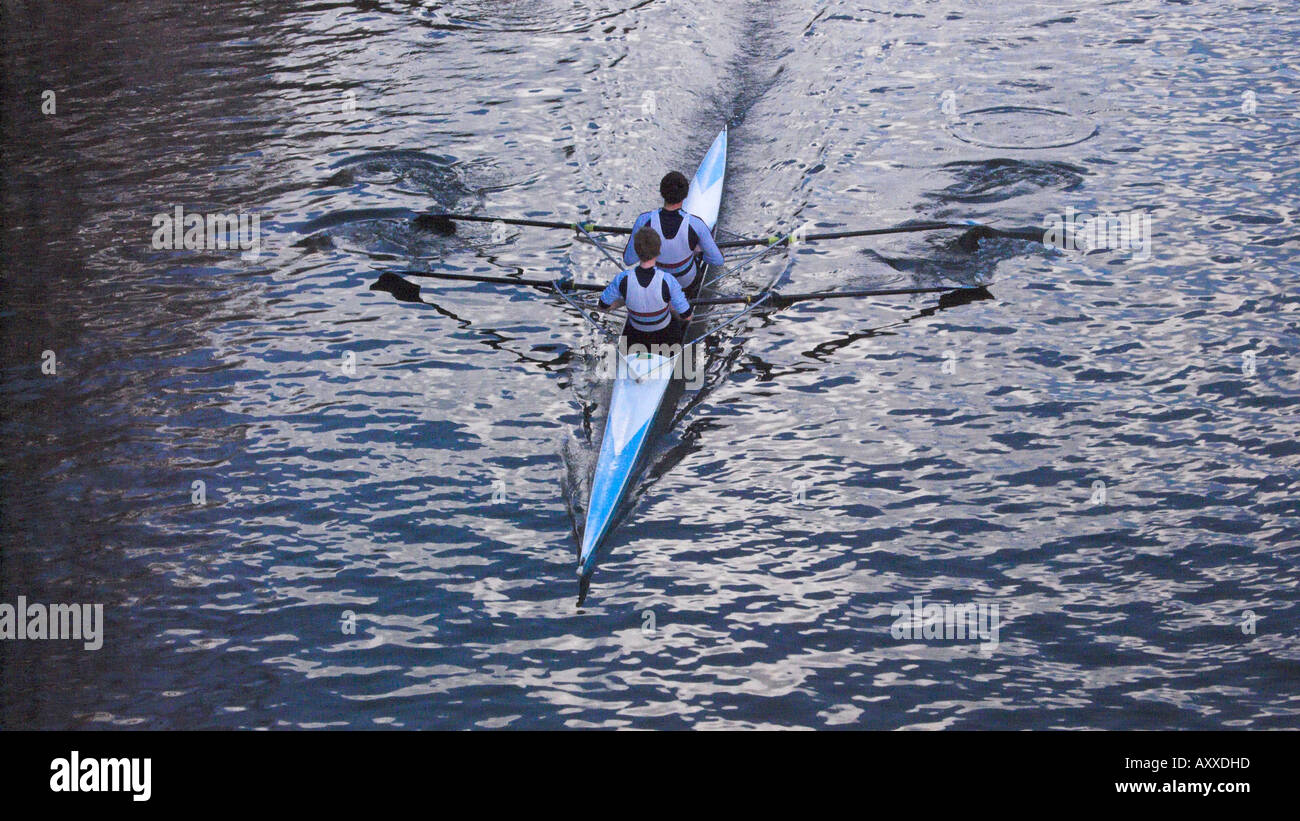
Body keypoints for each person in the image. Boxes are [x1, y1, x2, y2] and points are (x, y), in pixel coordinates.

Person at [622, 171, 725, 299]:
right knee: (697, 254)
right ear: (686, 195)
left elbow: (628, 260)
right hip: (686, 284)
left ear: (661, 193)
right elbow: (718, 260)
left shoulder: (643, 221)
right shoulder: (696, 224)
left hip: (655, 285)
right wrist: (698, 252)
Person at [600, 227, 692, 349]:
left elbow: (603, 306)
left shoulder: (622, 279)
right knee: (682, 317)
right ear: (659, 251)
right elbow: (687, 316)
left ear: (637, 252)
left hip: (635, 337)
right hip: (665, 337)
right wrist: (671, 307)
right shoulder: (668, 280)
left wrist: (624, 301)